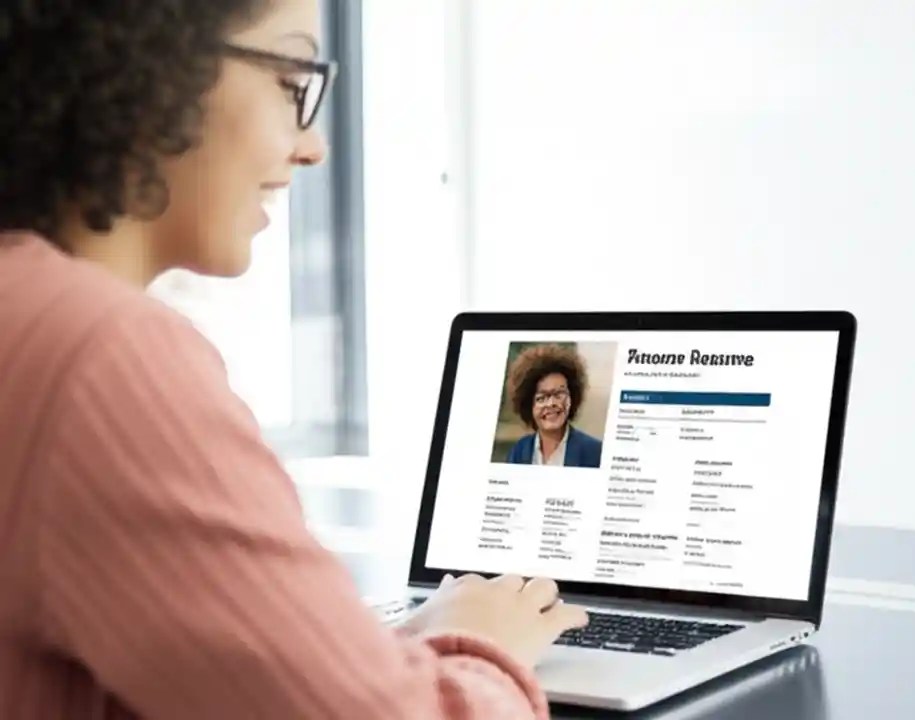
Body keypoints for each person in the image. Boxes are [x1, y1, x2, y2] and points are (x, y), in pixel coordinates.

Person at [0, 2, 586, 718]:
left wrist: (374, 654)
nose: (314, 146)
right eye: (290, 80)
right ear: (146, 62)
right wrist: (475, 640)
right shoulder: (104, 359)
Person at [504, 344, 605, 468]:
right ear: (528, 405)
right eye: (541, 398)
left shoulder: (595, 452)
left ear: (571, 397)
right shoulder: (519, 451)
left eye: (559, 394)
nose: (551, 403)